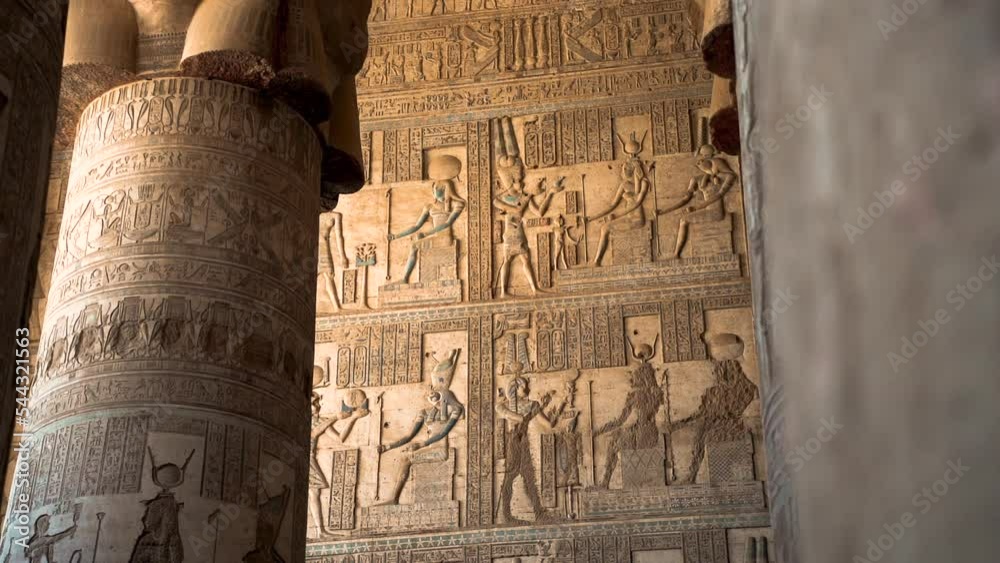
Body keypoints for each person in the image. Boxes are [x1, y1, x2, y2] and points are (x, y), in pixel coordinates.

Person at [494, 363, 567, 523]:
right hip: (513, 441)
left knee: (529, 478)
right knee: (510, 478)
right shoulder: (504, 406)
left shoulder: (531, 405)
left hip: (523, 442)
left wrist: (562, 404)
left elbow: (549, 424)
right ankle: (506, 515)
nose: (526, 391)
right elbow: (514, 416)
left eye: (526, 387)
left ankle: (539, 513)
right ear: (514, 389)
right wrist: (521, 414)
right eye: (523, 388)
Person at [374, 389, 464, 505]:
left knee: (405, 459)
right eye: (429, 393)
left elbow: (443, 433)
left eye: (435, 392)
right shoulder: (424, 412)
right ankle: (394, 498)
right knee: (404, 457)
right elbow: (409, 436)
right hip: (430, 448)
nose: (431, 393)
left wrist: (421, 444)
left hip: (440, 451)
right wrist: (387, 447)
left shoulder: (455, 410)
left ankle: (394, 499)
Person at [388, 157, 466, 285]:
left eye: (439, 189)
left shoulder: (456, 205)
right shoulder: (429, 207)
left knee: (414, 245)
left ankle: (405, 279)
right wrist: (396, 236)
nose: (436, 191)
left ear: (446, 190)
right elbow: (416, 226)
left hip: (445, 239)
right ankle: (405, 278)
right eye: (435, 188)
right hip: (435, 237)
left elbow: (447, 224)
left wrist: (427, 234)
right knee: (417, 236)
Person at [658, 144, 737, 258]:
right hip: (707, 209)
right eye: (701, 159)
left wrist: (696, 208)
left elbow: (719, 195)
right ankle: (676, 253)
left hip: (715, 212)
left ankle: (676, 254)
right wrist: (664, 211)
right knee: (683, 217)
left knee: (684, 219)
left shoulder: (723, 178)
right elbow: (685, 199)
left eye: (705, 159)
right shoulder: (696, 179)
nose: (702, 161)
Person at [308, 390, 369, 538]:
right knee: (312, 492)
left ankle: (320, 531)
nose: (317, 406)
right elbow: (313, 433)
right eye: (313, 404)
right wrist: (335, 417)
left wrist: (353, 418)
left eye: (317, 403)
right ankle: (318, 531)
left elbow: (340, 438)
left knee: (314, 492)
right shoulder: (299, 419)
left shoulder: (321, 421)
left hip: (310, 458)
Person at [594, 361, 664, 489]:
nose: (632, 379)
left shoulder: (635, 396)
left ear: (640, 377)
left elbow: (620, 421)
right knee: (619, 435)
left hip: (640, 435)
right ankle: (605, 482)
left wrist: (599, 431)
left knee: (614, 443)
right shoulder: (657, 393)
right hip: (652, 434)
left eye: (635, 376)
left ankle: (605, 482)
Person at [587, 133, 652, 266]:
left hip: (636, 220)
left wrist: (615, 216)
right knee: (605, 226)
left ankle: (597, 261)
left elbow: (636, 204)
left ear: (634, 169)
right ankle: (597, 261)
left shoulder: (644, 183)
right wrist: (592, 218)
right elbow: (612, 205)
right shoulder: (624, 185)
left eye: (626, 167)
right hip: (627, 217)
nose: (623, 168)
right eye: (623, 166)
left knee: (606, 227)